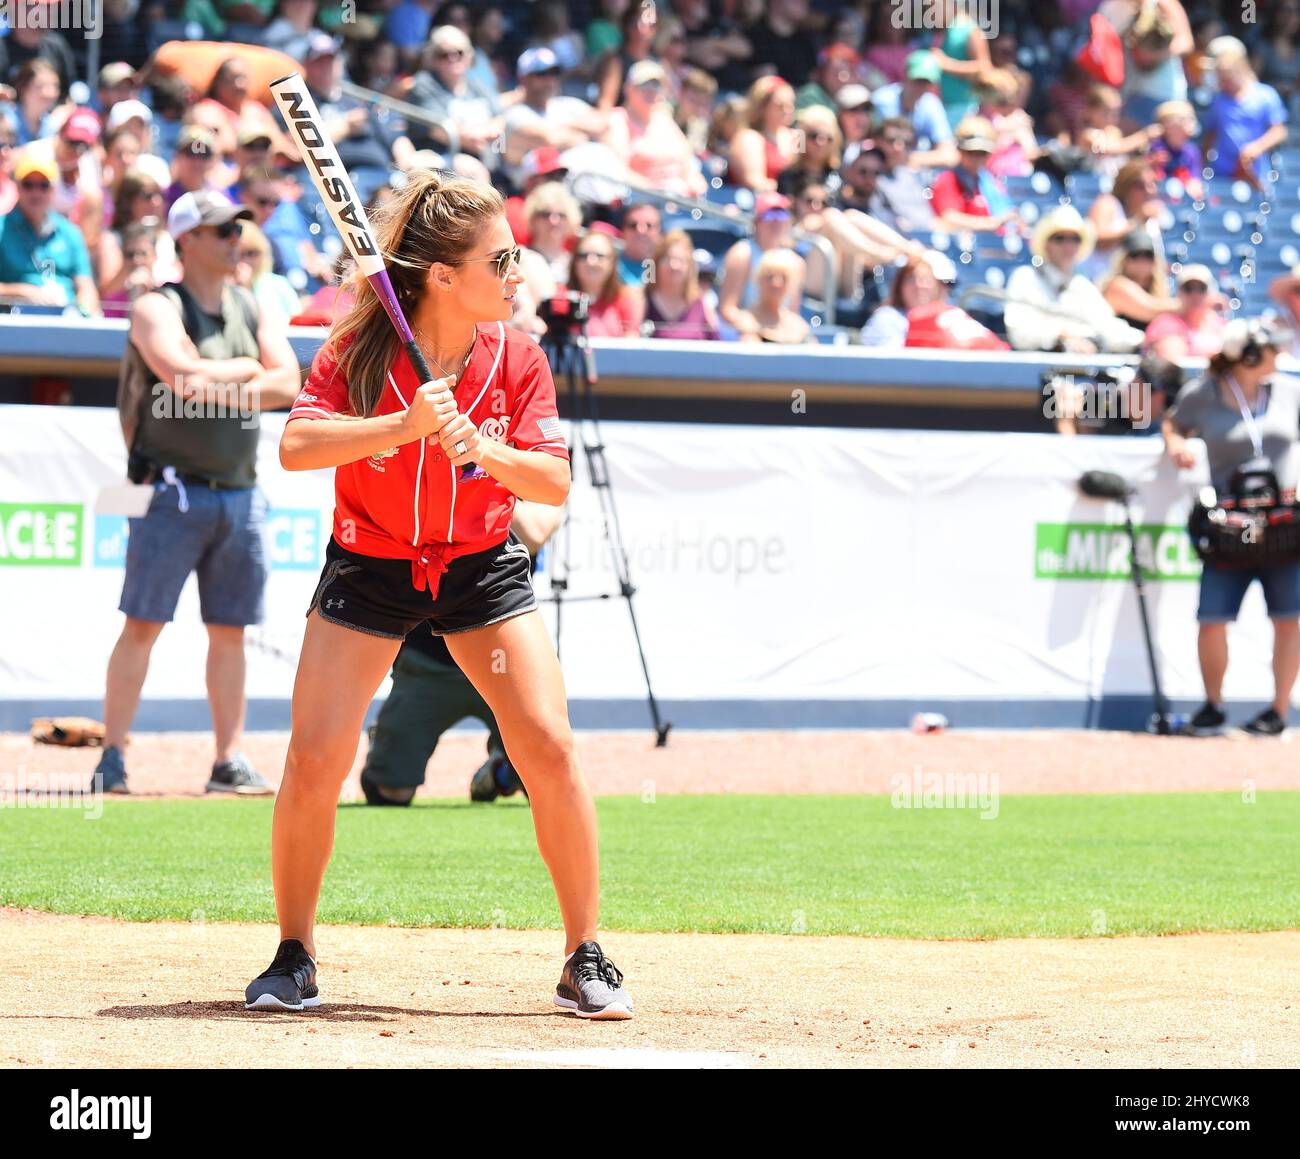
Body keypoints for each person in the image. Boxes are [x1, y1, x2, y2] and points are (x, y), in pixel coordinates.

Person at [243, 170, 634, 1021]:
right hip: (371, 563)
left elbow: (553, 481)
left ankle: (584, 952)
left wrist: (482, 450)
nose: (518, 271)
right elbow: (298, 446)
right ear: (444, 276)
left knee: (549, 745)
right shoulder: (361, 346)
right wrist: (404, 426)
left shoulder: (518, 356)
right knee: (315, 757)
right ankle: (294, 952)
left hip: (479, 564)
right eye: (501, 258)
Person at [91, 191, 301, 796]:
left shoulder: (251, 302)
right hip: (167, 491)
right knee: (143, 623)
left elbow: (288, 382)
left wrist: (213, 381)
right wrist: (246, 372)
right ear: (187, 240)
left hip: (239, 490)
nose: (236, 240)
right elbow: (181, 380)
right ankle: (112, 755)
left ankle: (228, 760)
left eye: (236, 229)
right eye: (220, 231)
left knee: (230, 632)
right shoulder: (156, 306)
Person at [358, 502, 562, 806]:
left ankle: (502, 772)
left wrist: (481, 477)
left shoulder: (529, 475)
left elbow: (534, 533)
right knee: (388, 791)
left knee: (551, 779)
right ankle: (389, 740)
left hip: (503, 663)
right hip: (429, 662)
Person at [1163, 317, 1300, 737]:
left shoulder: (1289, 391)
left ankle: (1278, 710)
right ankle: (1213, 705)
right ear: (1251, 355)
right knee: (1213, 617)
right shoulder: (1204, 393)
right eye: (1271, 348)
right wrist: (1176, 444)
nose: (1279, 354)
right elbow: (1173, 423)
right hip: (1229, 525)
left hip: (1282, 522)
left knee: (1289, 618)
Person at [1004, 206, 1144, 354]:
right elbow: (1019, 332)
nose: (1068, 246)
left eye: (1075, 239)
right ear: (1045, 243)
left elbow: (1107, 326)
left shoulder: (1081, 285)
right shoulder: (1025, 278)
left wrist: (1145, 340)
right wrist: (1061, 336)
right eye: (1059, 238)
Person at [0, 152, 98, 314]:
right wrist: (22, 291)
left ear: (53, 189)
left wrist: (83, 313)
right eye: (28, 185)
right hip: (14, 318)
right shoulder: (2, 228)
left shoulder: (70, 232)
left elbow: (86, 286)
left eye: (43, 185)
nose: (36, 193)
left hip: (66, 318)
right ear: (17, 187)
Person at [501, 47, 608, 192]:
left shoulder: (567, 104)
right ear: (523, 78)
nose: (549, 80)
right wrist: (583, 133)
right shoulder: (516, 113)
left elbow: (602, 123)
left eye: (554, 72)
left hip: (584, 186)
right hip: (540, 192)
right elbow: (550, 140)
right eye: (541, 74)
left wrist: (565, 127)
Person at [605, 59, 706, 198]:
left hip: (681, 199)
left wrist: (694, 184)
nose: (651, 91)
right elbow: (618, 170)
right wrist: (656, 191)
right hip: (643, 199)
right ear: (628, 88)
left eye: (657, 85)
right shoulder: (618, 119)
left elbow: (688, 163)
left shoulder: (664, 120)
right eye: (645, 85)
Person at [1202, 39, 1288, 188]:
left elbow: (1279, 131)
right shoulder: (1219, 99)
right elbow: (1210, 135)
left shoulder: (1265, 95)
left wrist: (1256, 147)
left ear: (1240, 70)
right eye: (1221, 79)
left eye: (1227, 78)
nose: (1223, 83)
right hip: (1222, 174)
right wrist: (1201, 163)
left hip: (1254, 172)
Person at [929, 117, 1017, 235]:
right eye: (970, 152)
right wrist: (991, 223)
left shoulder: (988, 181)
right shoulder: (948, 180)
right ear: (960, 150)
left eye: (982, 153)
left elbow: (1007, 211)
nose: (976, 158)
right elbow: (949, 218)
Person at [869, 51, 956, 168]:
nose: (921, 87)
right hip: (879, 164)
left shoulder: (931, 104)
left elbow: (949, 155)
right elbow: (868, 142)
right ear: (905, 75)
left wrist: (910, 158)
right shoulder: (882, 101)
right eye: (918, 80)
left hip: (909, 170)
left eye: (927, 82)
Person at [643, 228, 720, 340]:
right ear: (656, 263)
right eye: (667, 259)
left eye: (680, 260)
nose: (674, 266)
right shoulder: (643, 301)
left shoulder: (702, 304)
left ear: (690, 267)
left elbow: (716, 344)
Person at [728, 75, 799, 193]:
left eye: (791, 103)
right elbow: (753, 181)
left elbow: (806, 173)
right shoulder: (749, 138)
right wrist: (789, 190)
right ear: (761, 107)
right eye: (780, 105)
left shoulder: (797, 137)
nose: (788, 110)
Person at [568, 228, 643, 337]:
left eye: (599, 256)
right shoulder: (561, 298)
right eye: (583, 255)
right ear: (575, 262)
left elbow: (631, 340)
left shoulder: (625, 300)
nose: (591, 262)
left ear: (612, 262)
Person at [1143, 264, 1227, 361]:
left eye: (1202, 288)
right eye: (1188, 288)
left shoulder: (1219, 324)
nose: (1195, 294)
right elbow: (1173, 362)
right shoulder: (1165, 324)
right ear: (1179, 293)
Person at [1100, 228, 1178, 330]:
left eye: (1148, 255)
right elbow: (1151, 309)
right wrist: (1190, 305)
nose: (1142, 261)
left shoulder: (1160, 291)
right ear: (1124, 259)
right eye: (1135, 255)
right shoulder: (1115, 285)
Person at [739, 247, 812, 345]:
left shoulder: (800, 325)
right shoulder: (746, 321)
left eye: (784, 278)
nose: (776, 283)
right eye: (770, 276)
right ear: (758, 280)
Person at [616, 200, 660, 288]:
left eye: (648, 225)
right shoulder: (608, 263)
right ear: (623, 229)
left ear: (659, 231)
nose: (640, 230)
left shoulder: (669, 268)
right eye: (633, 225)